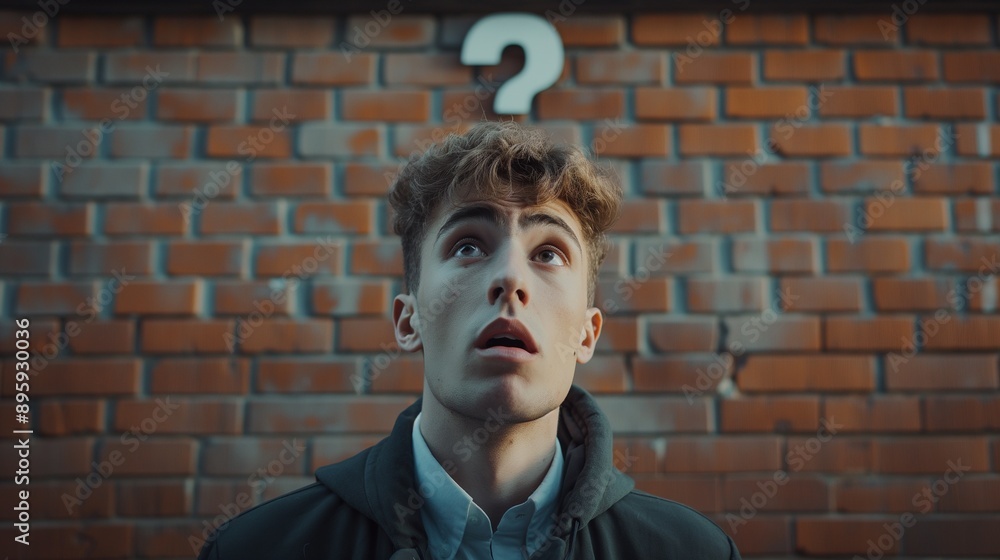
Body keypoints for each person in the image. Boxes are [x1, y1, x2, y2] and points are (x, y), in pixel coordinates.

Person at [197, 122, 741, 559]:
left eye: (549, 252)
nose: (511, 277)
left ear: (587, 333)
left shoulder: (694, 551)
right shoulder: (258, 549)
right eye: (467, 247)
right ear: (408, 321)